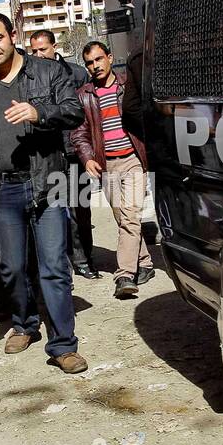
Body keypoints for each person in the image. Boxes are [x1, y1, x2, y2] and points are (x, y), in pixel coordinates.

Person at [0, 12, 88, 374]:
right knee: (11, 267)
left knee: (53, 267)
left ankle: (63, 345)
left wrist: (39, 111)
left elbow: (74, 112)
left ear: (13, 36)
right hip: (1, 189)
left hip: (47, 183)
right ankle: (24, 322)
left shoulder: (47, 72)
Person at [72, 41, 154, 299]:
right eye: (89, 62)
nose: (95, 66)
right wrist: (86, 158)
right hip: (106, 165)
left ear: (109, 57)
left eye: (98, 59)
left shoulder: (128, 85)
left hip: (132, 159)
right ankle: (146, 263)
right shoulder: (84, 95)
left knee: (130, 217)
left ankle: (124, 275)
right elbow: (79, 133)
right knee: (123, 219)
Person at [29, 29, 97, 280]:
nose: (38, 55)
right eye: (34, 50)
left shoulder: (77, 74)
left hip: (75, 152)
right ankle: (64, 260)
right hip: (48, 154)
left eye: (42, 49)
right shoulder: (31, 77)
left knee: (80, 208)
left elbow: (86, 114)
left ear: (54, 47)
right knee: (55, 210)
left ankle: (83, 258)